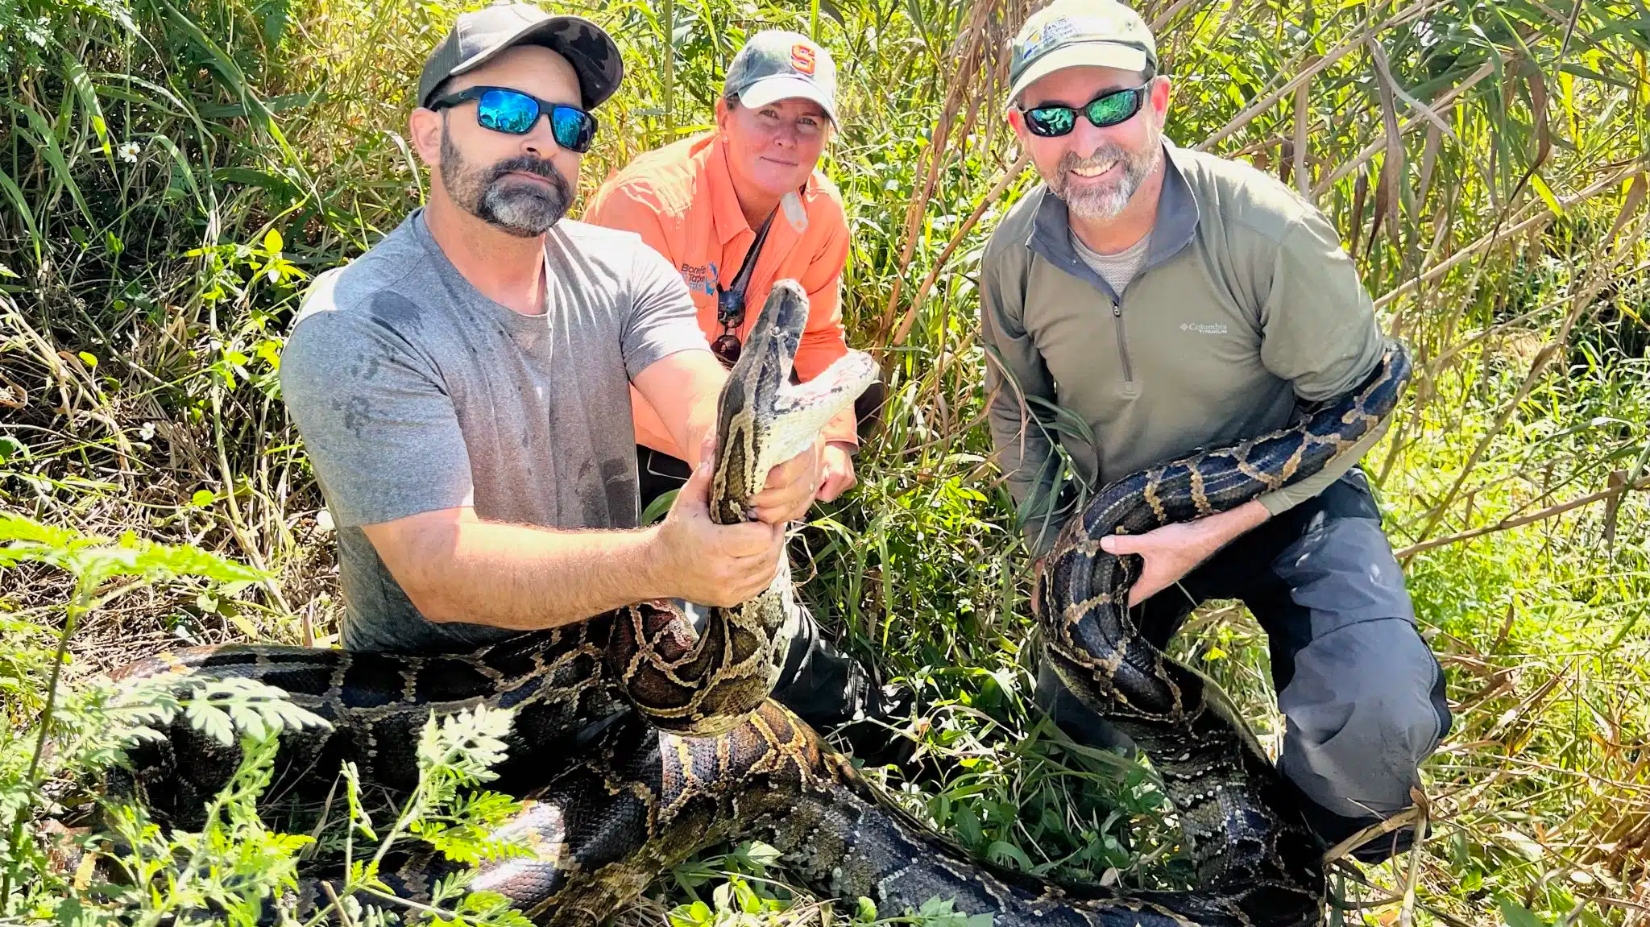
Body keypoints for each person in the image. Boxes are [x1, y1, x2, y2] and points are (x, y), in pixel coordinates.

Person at [978, 0, 1451, 862]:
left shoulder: (1268, 231)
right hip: (1118, 526)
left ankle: (1314, 856)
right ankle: (1113, 847)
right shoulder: (1015, 256)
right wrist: (1054, 545)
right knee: (1066, 751)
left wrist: (1221, 526)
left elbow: (1359, 404)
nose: (1084, 140)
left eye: (1111, 105)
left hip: (1288, 504)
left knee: (1374, 716)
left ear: (1157, 101)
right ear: (1022, 130)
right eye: (1052, 116)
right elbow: (1017, 409)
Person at [277, 6, 824, 693]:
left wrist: (773, 454)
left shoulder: (625, 269)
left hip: (607, 655)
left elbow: (699, 399)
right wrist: (659, 563)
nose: (543, 141)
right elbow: (439, 570)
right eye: (506, 112)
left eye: (570, 126)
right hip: (435, 700)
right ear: (426, 132)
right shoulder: (357, 324)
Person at [584, 31, 903, 751]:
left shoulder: (820, 212)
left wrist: (834, 438)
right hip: (633, 432)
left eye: (809, 122)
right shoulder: (647, 204)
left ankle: (849, 709)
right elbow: (601, 370)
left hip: (745, 433)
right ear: (725, 115)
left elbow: (821, 334)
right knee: (690, 603)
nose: (789, 139)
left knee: (860, 400)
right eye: (769, 115)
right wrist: (744, 454)